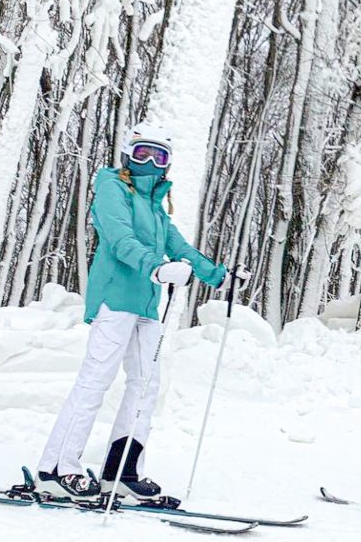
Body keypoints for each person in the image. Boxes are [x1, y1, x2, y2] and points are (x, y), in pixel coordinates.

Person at [37, 122, 240, 502]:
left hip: (147, 304)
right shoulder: (112, 188)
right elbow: (119, 238)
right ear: (128, 154)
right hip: (115, 299)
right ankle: (58, 468)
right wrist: (157, 268)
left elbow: (180, 247)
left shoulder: (156, 207)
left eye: (158, 155)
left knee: (146, 385)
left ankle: (123, 470)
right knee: (96, 380)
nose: (149, 161)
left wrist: (218, 275)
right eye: (142, 152)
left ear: (167, 165)